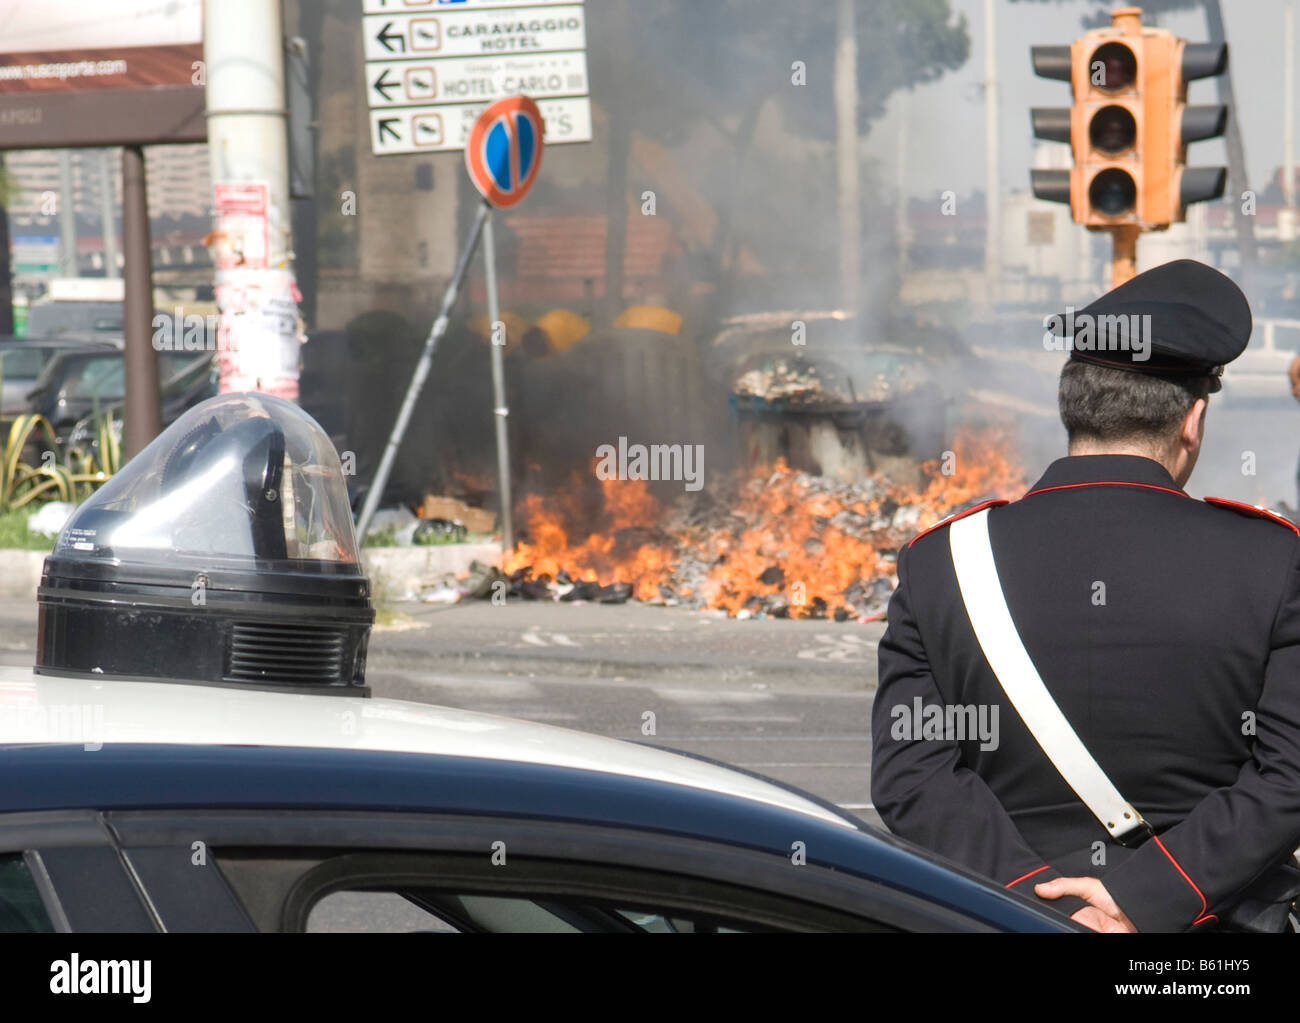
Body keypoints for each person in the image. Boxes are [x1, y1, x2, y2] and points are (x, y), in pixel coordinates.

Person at [871, 259, 1300, 933]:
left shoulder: (942, 565)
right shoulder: (1274, 562)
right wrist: (1148, 896)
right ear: (1193, 419)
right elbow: (1288, 778)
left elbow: (914, 777)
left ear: (1072, 405)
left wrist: (1041, 902)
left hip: (1001, 920)